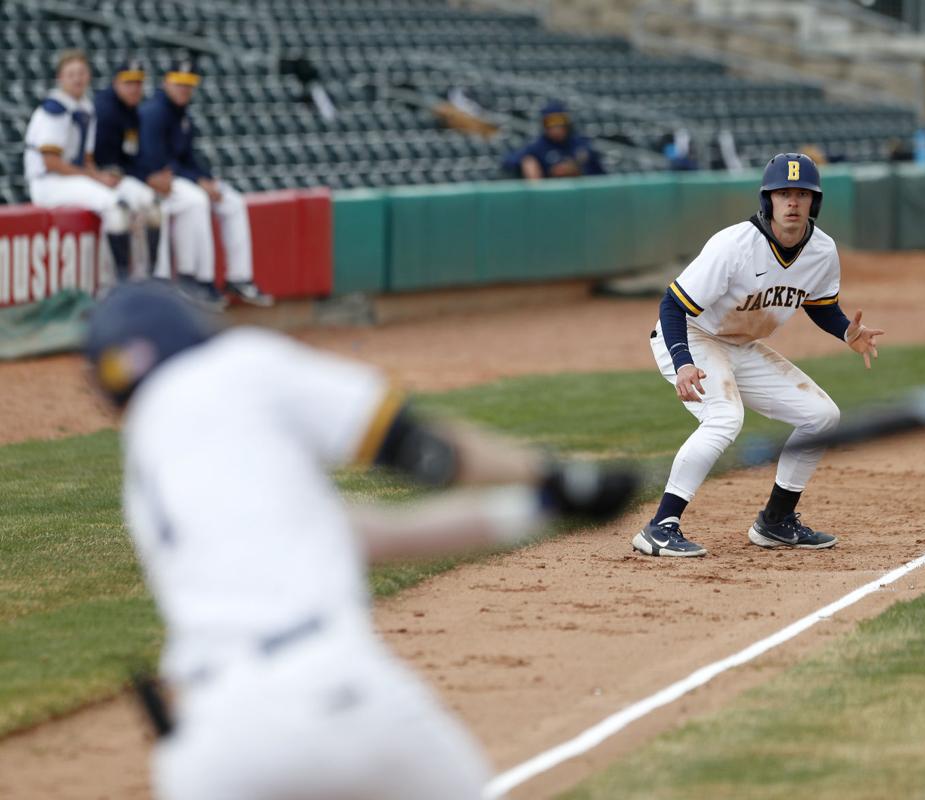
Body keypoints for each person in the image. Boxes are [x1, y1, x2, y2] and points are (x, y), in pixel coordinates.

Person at [84, 281, 637, 800]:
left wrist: (537, 510)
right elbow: (420, 450)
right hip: (330, 689)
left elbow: (362, 535)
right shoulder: (240, 366)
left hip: (209, 745)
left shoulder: (145, 469)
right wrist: (555, 478)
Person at [632, 153, 884, 557]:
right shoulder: (734, 245)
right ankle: (660, 525)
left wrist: (846, 333)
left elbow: (819, 305)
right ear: (767, 200)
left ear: (814, 202)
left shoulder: (821, 250)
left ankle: (776, 522)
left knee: (821, 417)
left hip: (740, 345)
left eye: (802, 194)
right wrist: (683, 363)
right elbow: (673, 304)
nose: (793, 202)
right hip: (691, 336)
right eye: (783, 193)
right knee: (725, 417)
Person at [137, 59, 273, 308]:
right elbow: (157, 160)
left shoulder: (181, 114)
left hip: (181, 179)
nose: (184, 90)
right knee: (195, 201)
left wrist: (207, 179)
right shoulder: (154, 112)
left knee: (232, 200)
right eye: (179, 84)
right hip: (155, 180)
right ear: (167, 82)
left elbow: (188, 157)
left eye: (188, 85)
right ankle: (195, 278)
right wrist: (198, 182)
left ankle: (239, 277)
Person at [23, 50, 146, 283]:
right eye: (71, 74)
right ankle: (120, 284)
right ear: (60, 78)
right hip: (48, 182)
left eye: (81, 73)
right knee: (116, 206)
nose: (77, 79)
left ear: (89, 76)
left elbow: (85, 159)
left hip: (70, 179)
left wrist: (99, 175)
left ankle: (139, 279)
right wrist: (95, 179)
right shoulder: (55, 108)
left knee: (137, 202)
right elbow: (51, 162)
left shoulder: (85, 107)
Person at [92, 57, 166, 278]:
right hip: (97, 176)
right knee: (121, 212)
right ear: (116, 82)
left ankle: (149, 276)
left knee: (152, 205)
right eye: (129, 83)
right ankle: (122, 280)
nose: (135, 88)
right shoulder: (103, 109)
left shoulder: (130, 111)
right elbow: (96, 156)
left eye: (138, 83)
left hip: (120, 175)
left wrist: (148, 175)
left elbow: (129, 156)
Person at [502, 101, 605, 180]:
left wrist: (575, 167)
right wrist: (528, 161)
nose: (556, 129)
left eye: (560, 124)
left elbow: (599, 173)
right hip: (550, 197)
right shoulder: (539, 145)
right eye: (551, 125)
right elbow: (508, 161)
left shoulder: (579, 142)